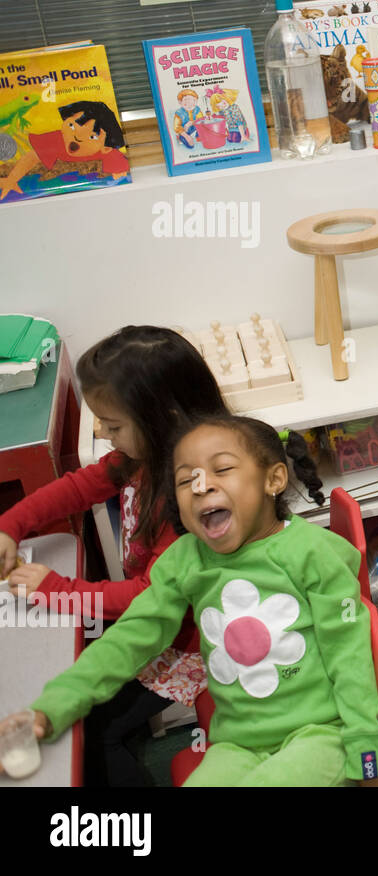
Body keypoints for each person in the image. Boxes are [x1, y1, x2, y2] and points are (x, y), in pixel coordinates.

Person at [2, 414, 378, 786]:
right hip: (235, 742)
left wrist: (367, 757)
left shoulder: (313, 554)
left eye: (222, 469)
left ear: (273, 480)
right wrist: (50, 708)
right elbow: (126, 642)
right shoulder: (184, 561)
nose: (202, 486)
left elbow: (351, 658)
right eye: (185, 480)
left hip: (322, 734)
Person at [0, 326, 227, 786]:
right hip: (151, 626)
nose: (101, 431)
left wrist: (59, 592)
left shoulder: (191, 501)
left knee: (95, 732)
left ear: (162, 417)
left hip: (183, 646)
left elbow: (150, 598)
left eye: (114, 424)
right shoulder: (142, 458)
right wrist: (10, 525)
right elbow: (78, 487)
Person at [0, 101, 129, 200]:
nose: (77, 137)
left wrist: (119, 171)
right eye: (71, 125)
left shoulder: (107, 150)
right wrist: (11, 179)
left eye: (92, 136)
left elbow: (120, 169)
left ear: (105, 147)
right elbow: (32, 157)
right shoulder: (58, 140)